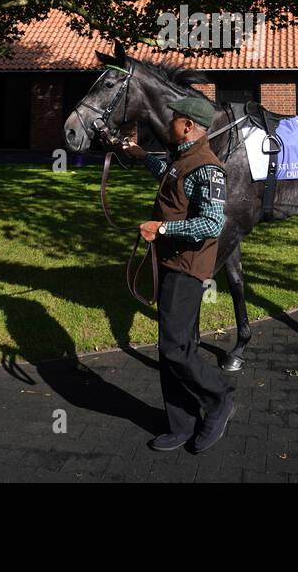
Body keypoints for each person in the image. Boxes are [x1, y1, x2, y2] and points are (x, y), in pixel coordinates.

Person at [114, 96, 235, 453]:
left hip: (188, 268)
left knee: (174, 348)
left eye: (174, 120)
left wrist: (162, 229)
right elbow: (170, 180)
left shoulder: (208, 168)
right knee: (172, 347)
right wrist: (141, 156)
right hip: (169, 264)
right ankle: (181, 424)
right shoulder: (182, 159)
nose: (168, 125)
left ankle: (219, 399)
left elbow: (213, 222)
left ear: (186, 126)